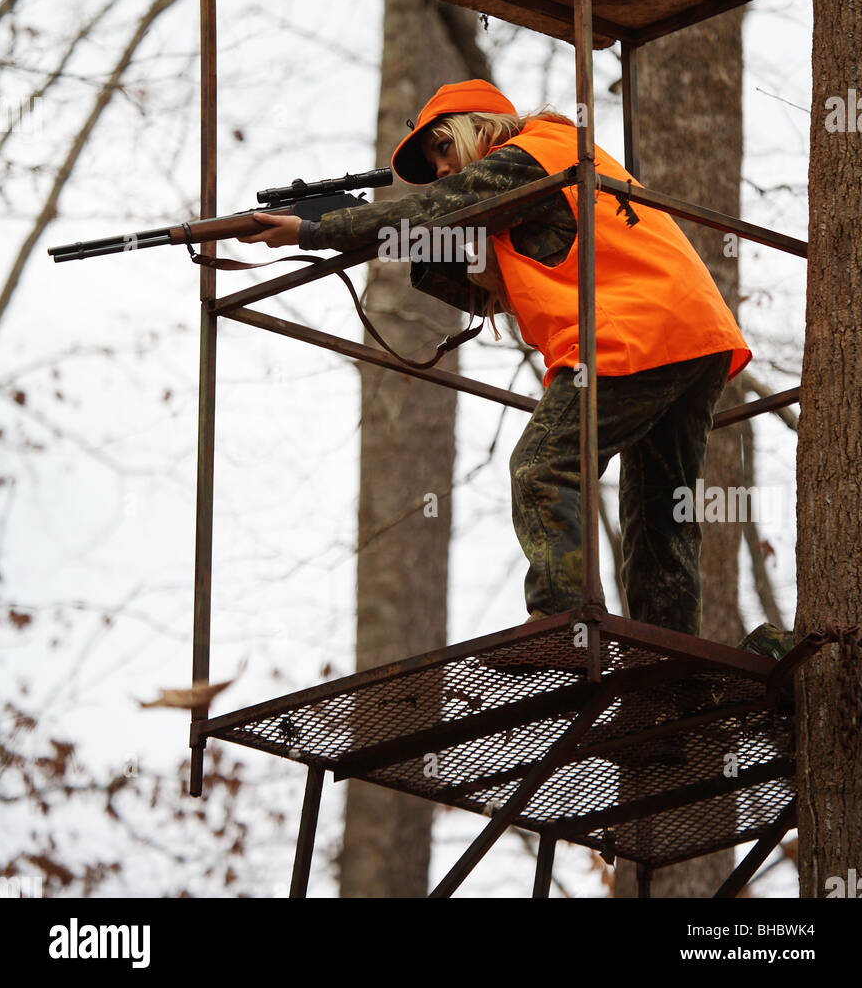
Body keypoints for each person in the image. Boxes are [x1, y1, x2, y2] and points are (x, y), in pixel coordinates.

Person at [240, 79, 753, 638]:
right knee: (660, 512)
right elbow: (477, 273)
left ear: (481, 127)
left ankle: (564, 620)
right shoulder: (543, 180)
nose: (441, 168)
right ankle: (670, 664)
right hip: (693, 336)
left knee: (542, 464)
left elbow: (436, 209)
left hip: (636, 332)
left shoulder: (532, 153)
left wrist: (320, 229)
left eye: (443, 147)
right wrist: (390, 238)